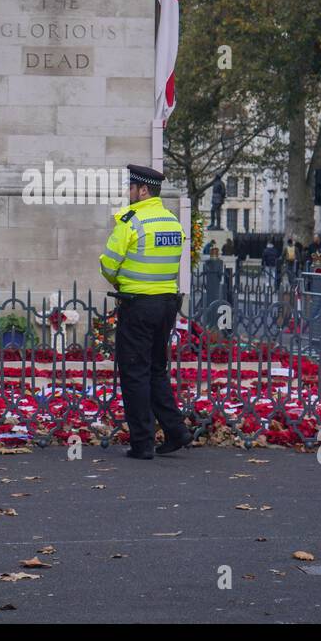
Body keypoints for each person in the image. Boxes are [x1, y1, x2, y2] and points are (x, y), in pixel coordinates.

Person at [99, 164, 191, 460]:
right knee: (155, 369)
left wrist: (121, 281)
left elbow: (108, 264)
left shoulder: (131, 221)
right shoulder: (172, 222)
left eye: (130, 188)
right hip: (166, 305)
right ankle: (176, 431)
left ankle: (143, 443)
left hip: (138, 306)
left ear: (143, 190)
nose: (128, 193)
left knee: (134, 372)